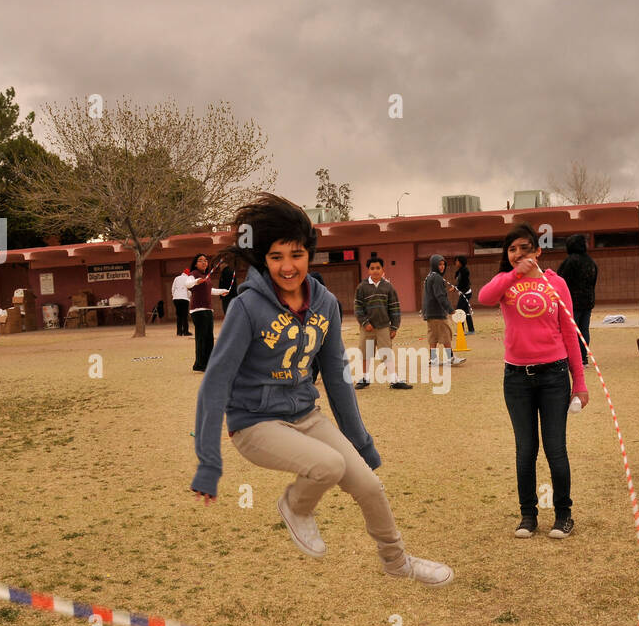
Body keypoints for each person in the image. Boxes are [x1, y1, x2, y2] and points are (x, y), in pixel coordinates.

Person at [191, 193, 453, 587]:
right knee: (327, 466)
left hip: (305, 416)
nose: (287, 266)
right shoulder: (247, 308)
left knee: (368, 484)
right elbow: (215, 381)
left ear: (308, 254)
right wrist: (209, 462)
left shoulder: (325, 304)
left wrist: (361, 444)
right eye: (276, 256)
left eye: (295, 254)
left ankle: (396, 561)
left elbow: (336, 377)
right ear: (264, 258)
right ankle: (295, 507)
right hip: (254, 423)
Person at [478, 223, 588, 539]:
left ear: (538, 251)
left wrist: (579, 382)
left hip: (553, 376)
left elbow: (570, 333)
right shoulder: (504, 283)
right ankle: (528, 515)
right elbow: (485, 296)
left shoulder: (557, 284)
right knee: (525, 449)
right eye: (512, 249)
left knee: (555, 448)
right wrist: (515, 273)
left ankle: (564, 515)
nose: (518, 254)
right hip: (516, 379)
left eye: (524, 248)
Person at [354, 255, 412, 390]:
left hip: (384, 327)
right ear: (368, 270)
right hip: (367, 328)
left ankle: (394, 380)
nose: (375, 271)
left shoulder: (388, 287)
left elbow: (395, 307)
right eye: (372, 268)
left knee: (386, 352)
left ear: (382, 269)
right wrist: (364, 323)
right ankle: (365, 378)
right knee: (366, 353)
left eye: (378, 268)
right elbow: (358, 307)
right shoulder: (362, 287)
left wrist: (394, 327)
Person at [557, 235, 598, 365]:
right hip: (588, 301)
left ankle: (574, 358)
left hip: (572, 302)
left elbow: (560, 281)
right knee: (584, 330)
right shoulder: (591, 261)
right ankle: (583, 357)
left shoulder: (570, 261)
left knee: (571, 331)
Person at [186, 254, 228, 372]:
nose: (204, 262)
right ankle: (199, 364)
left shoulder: (206, 276)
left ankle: (209, 363)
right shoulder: (193, 274)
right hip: (198, 310)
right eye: (200, 260)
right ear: (195, 264)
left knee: (209, 338)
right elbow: (187, 284)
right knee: (202, 337)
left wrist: (222, 291)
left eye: (205, 260)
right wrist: (196, 282)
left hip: (208, 310)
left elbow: (210, 290)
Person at [422, 255, 463, 367]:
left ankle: (433, 360)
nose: (442, 266)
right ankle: (450, 358)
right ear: (434, 265)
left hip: (430, 313)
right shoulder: (437, 278)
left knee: (433, 336)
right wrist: (450, 310)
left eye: (443, 264)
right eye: (439, 264)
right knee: (446, 334)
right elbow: (440, 296)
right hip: (437, 312)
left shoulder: (429, 276)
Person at [453, 255, 475, 335]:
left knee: (459, 310)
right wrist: (455, 287)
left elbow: (464, 283)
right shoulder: (459, 271)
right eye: (455, 261)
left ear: (461, 262)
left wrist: (455, 288)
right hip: (463, 293)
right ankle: (471, 330)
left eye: (457, 261)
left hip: (466, 293)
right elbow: (459, 282)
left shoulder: (465, 271)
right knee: (465, 311)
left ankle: (461, 331)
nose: (456, 262)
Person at [171, 269, 193, 336]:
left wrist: (174, 295)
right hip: (184, 298)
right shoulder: (188, 279)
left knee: (179, 315)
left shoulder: (177, 278)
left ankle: (179, 332)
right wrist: (188, 297)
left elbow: (173, 289)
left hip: (176, 299)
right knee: (184, 316)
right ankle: (186, 332)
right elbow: (189, 290)